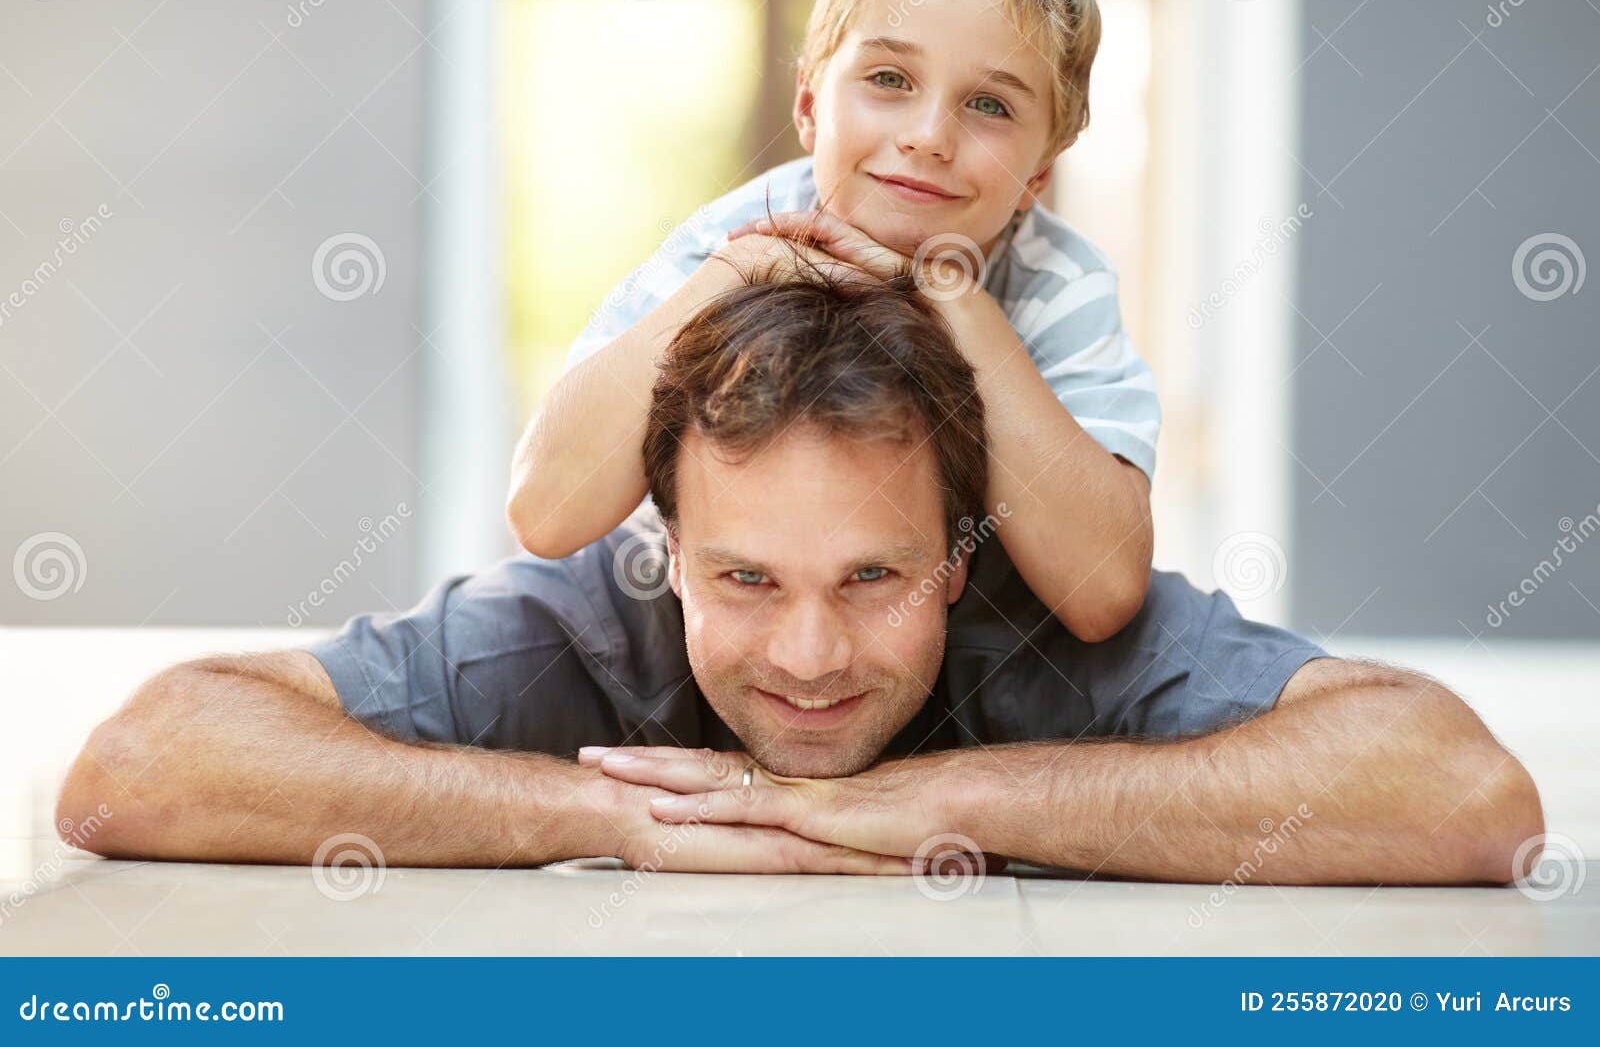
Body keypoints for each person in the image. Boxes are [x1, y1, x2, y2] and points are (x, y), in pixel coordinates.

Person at [57, 269, 1542, 883]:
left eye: (878, 576)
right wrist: (599, 812)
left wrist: (956, 797)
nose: (813, 654)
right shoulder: (585, 630)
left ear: (965, 557)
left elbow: (1461, 792)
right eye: (747, 579)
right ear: (667, 547)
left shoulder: (1052, 632)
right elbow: (142, 766)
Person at [508, 0, 1157, 643]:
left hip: (967, 633)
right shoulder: (730, 241)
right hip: (714, 628)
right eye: (889, 80)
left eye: (989, 105)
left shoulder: (1059, 283)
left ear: (1039, 176)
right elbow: (547, 512)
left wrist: (952, 301)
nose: (928, 136)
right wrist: (737, 273)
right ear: (811, 106)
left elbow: (1103, 591)